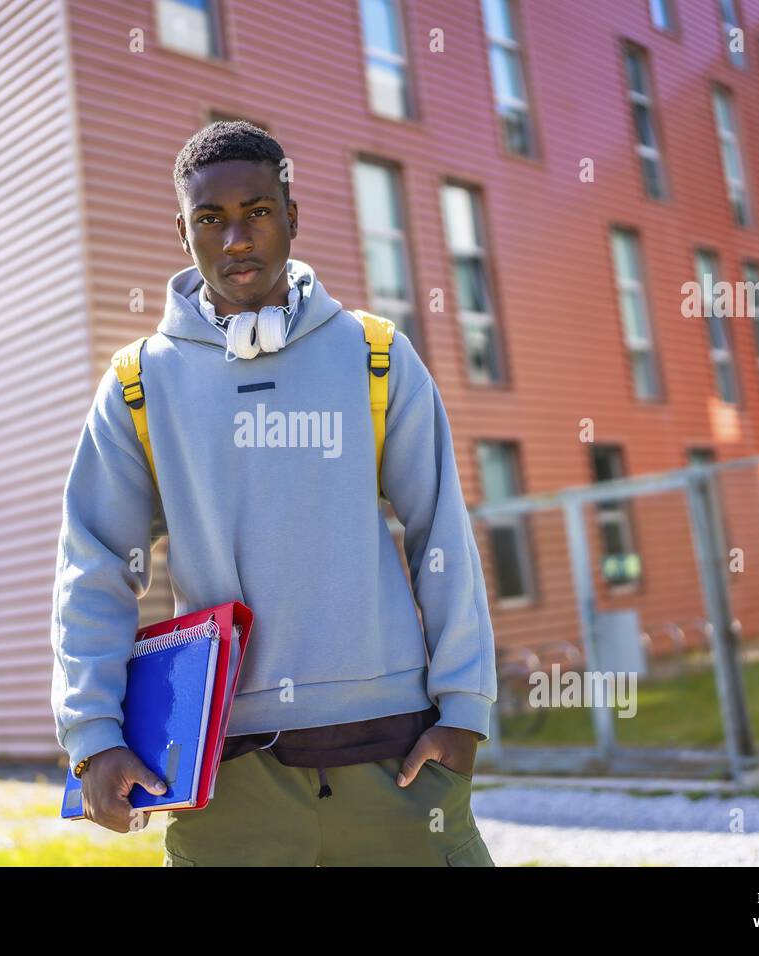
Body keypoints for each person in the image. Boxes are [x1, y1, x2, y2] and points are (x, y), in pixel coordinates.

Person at [50, 120, 497, 866]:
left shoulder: (375, 355)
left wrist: (465, 710)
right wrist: (93, 737)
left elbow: (441, 538)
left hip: (396, 762)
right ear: (182, 234)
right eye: (209, 219)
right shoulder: (138, 385)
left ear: (293, 216)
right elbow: (94, 566)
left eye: (257, 211)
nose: (236, 239)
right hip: (229, 783)